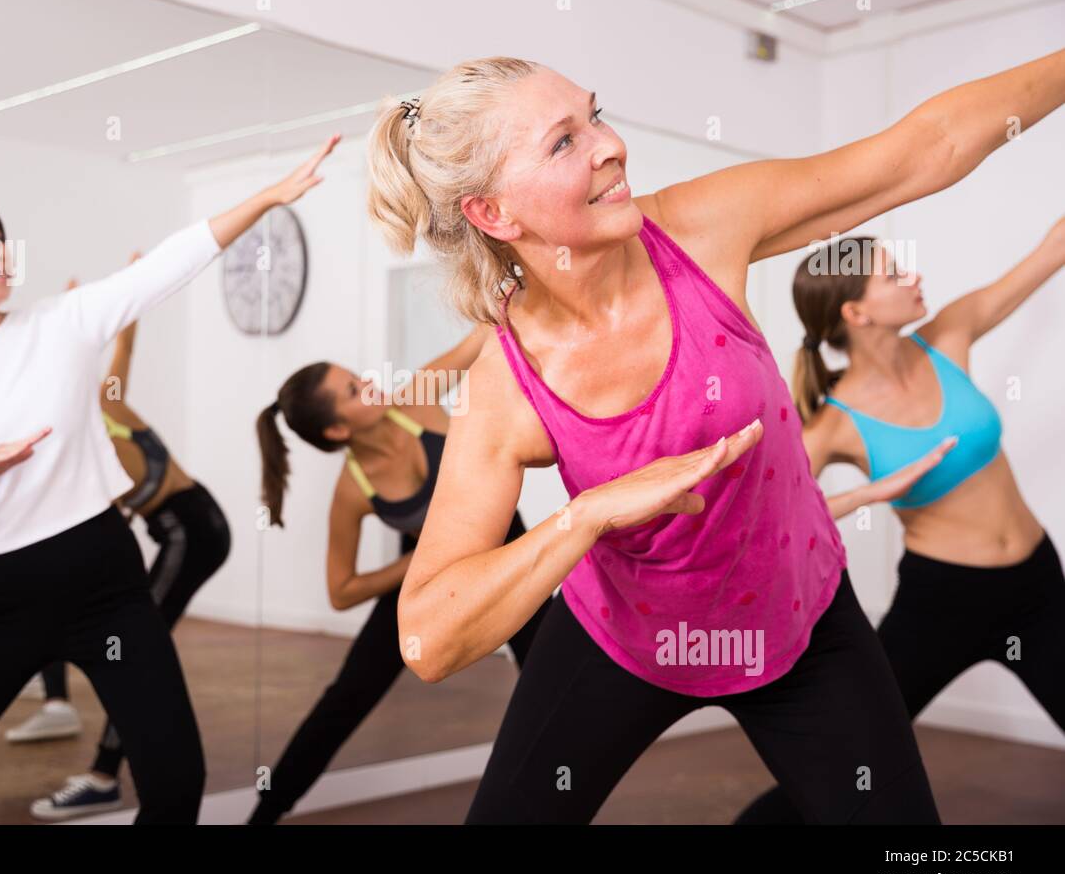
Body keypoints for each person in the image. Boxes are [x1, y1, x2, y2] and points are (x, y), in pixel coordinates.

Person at [365, 49, 1065, 823]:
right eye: (564, 141)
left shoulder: (700, 229)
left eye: (594, 114)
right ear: (494, 213)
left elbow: (922, 149)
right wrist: (587, 514)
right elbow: (427, 637)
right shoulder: (507, 387)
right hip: (622, 638)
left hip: (801, 622)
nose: (610, 144)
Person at [0, 133, 338, 824]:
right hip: (6, 602)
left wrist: (266, 197)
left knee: (175, 781)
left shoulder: (59, 324)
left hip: (108, 582)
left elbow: (167, 265)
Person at [735, 219, 1065, 823]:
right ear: (856, 312)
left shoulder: (950, 334)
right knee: (853, 762)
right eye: (894, 273)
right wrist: (863, 499)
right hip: (944, 604)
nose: (914, 276)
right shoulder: (833, 425)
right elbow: (767, 521)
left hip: (1040, 587)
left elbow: (1052, 248)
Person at [247, 330, 551, 823]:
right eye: (353, 391)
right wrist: (412, 565)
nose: (370, 383)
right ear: (338, 431)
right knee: (347, 697)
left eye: (358, 377)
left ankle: (541, 798)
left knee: (549, 666)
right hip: (425, 570)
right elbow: (341, 591)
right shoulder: (354, 489)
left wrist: (512, 285)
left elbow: (483, 336)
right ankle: (265, 812)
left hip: (506, 551)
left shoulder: (418, 397)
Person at [25, 271, 232, 819]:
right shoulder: (103, 407)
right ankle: (64, 710)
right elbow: (125, 341)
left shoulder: (92, 426)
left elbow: (121, 339)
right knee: (135, 644)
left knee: (139, 652)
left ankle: (101, 776)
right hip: (199, 522)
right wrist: (120, 298)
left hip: (189, 533)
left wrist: (124, 289)